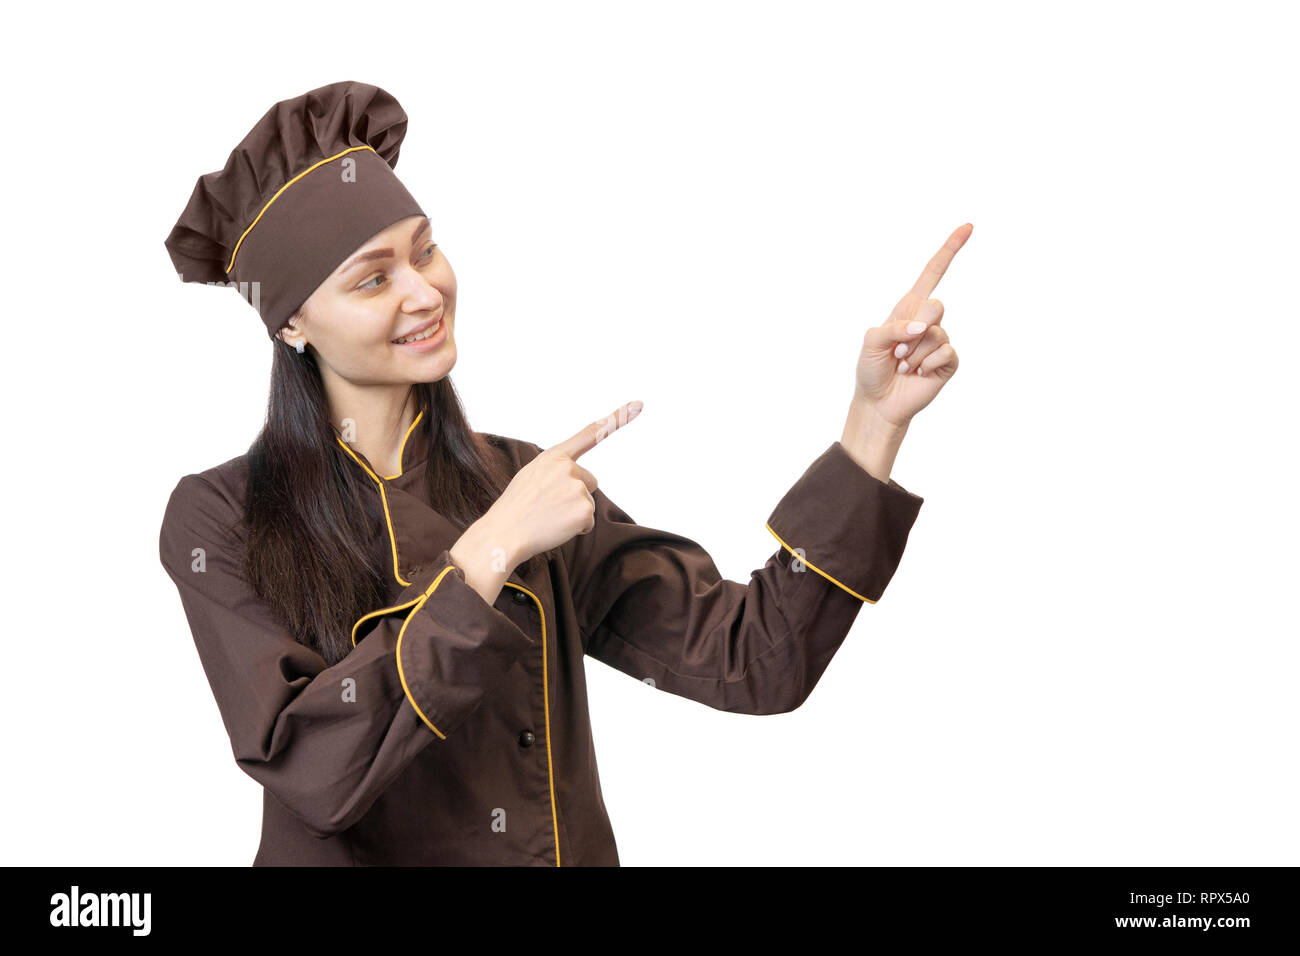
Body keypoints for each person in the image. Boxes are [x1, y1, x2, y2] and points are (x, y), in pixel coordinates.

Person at [159, 80, 968, 866]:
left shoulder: (517, 478)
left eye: (425, 250)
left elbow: (754, 661)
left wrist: (875, 425)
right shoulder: (219, 518)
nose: (425, 291)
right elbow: (313, 775)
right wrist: (488, 554)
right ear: (293, 321)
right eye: (374, 279)